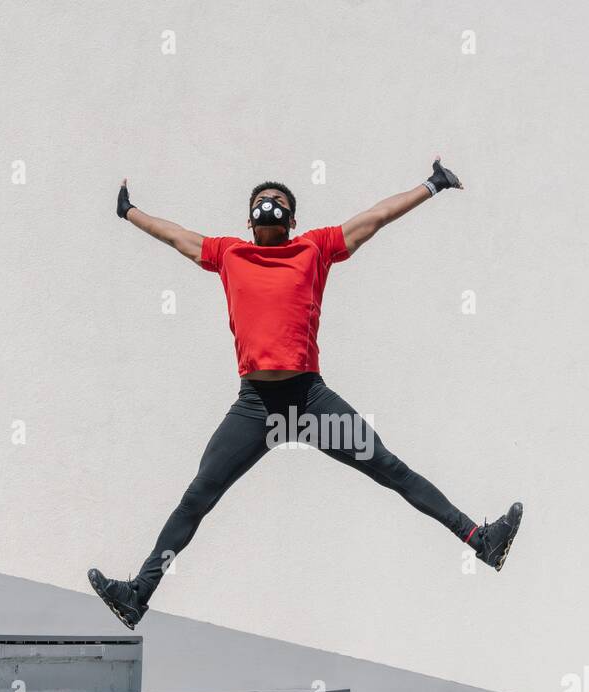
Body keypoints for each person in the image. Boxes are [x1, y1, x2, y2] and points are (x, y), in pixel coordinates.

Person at [89, 157, 522, 629]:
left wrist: (432, 184)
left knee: (391, 469)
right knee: (198, 497)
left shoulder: (314, 248)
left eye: (277, 203)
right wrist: (129, 212)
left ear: (292, 222)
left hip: (310, 403)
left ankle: (482, 540)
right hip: (255, 407)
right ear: (249, 220)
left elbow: (375, 218)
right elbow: (177, 236)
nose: (267, 206)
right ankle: (138, 594)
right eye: (259, 203)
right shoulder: (228, 254)